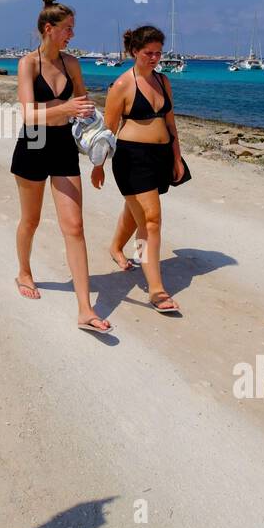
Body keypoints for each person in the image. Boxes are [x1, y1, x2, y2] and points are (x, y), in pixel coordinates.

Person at [10, 0, 111, 333]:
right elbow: (27, 113)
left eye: (73, 28)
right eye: (68, 28)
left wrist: (98, 146)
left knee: (75, 226)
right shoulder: (28, 64)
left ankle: (84, 308)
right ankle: (24, 271)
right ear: (49, 28)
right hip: (34, 141)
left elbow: (82, 102)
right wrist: (65, 109)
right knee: (31, 219)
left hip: (64, 144)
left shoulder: (72, 64)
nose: (72, 34)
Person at [91, 25, 183, 314]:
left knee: (137, 210)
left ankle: (116, 248)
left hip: (161, 156)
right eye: (148, 53)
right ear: (134, 52)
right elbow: (107, 130)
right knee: (151, 220)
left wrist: (177, 158)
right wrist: (99, 165)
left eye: (158, 53)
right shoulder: (121, 86)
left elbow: (170, 123)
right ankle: (156, 290)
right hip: (132, 158)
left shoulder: (163, 81)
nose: (154, 58)